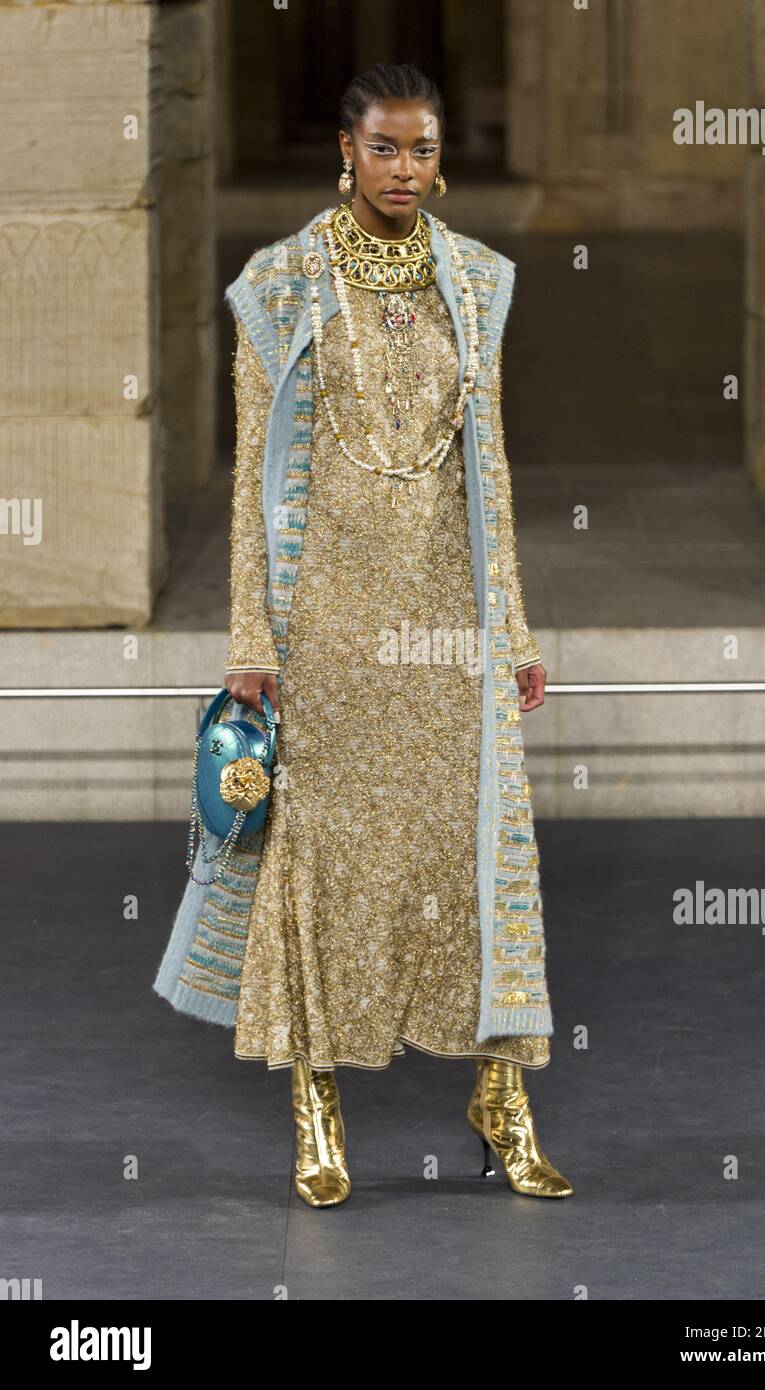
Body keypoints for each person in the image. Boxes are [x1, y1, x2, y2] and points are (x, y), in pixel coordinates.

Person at [165, 62, 572, 1207]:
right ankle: (316, 1104)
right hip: (328, 614)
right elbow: (251, 476)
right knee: (321, 858)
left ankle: (498, 1096)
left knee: (470, 847)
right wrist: (250, 635)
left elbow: (486, 466)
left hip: (444, 614)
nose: (406, 169)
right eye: (385, 148)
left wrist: (514, 626)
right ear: (345, 150)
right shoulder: (279, 286)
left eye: (423, 148)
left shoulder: (478, 285)